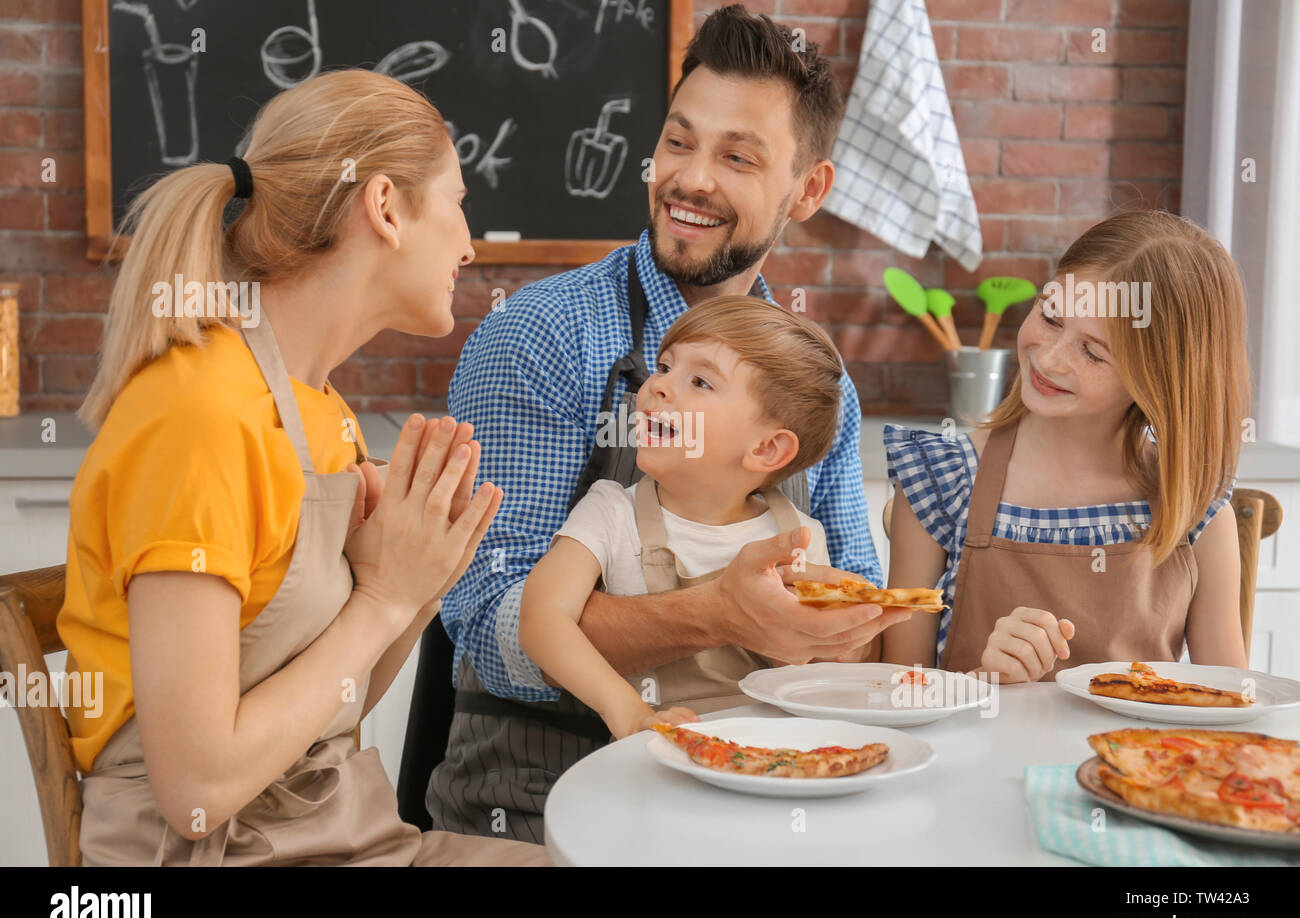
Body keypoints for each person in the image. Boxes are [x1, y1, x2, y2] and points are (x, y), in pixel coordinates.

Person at [428, 4, 909, 843]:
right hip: (539, 803)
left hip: (757, 800)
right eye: (679, 143)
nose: (690, 179)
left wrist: (845, 633)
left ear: (809, 189)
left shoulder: (820, 385)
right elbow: (490, 626)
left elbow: (858, 640)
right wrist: (718, 613)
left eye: (737, 157)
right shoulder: (539, 337)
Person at [60, 69, 547, 865]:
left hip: (331, 833)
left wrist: (421, 581)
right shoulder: (201, 414)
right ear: (385, 206)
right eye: (459, 202)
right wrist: (384, 600)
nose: (468, 242)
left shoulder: (322, 412)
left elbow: (333, 709)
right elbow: (194, 791)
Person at [877, 209, 1250, 682]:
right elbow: (900, 693)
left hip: (1139, 757)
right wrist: (981, 682)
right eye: (1051, 318)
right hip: (979, 756)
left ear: (1159, 379)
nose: (1050, 359)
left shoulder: (1198, 502)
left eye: (1093, 352)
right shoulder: (938, 477)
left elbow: (1228, 704)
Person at [521, 297, 895, 738]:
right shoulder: (608, 512)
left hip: (770, 755)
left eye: (699, 381)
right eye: (664, 366)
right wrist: (627, 710)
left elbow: (802, 672)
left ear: (766, 449)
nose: (658, 385)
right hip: (653, 757)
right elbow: (541, 619)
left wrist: (833, 637)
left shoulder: (798, 534)